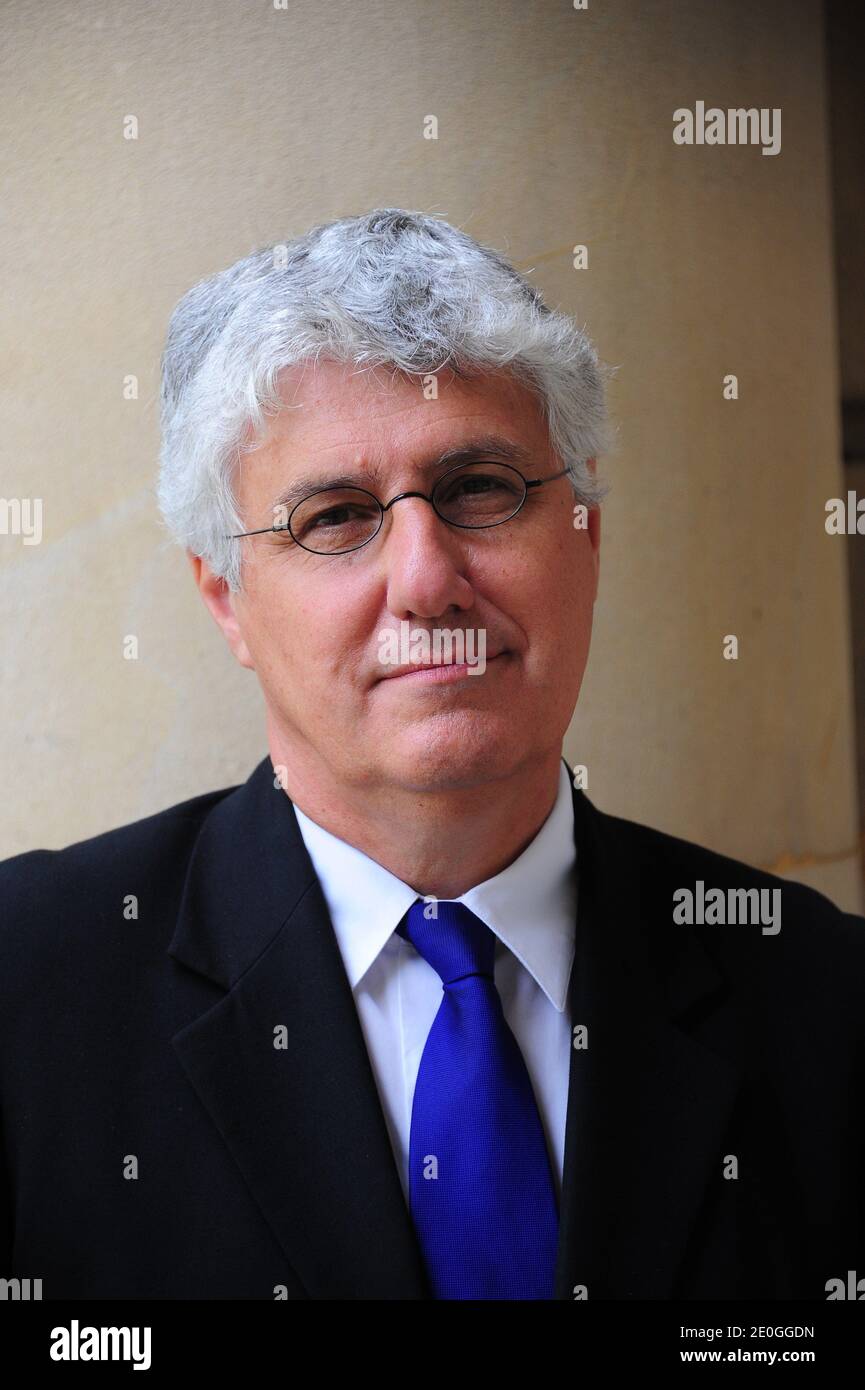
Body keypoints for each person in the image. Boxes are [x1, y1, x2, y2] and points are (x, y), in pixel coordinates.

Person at [1, 208, 863, 1301]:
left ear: (585, 534)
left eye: (477, 489)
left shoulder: (827, 1001)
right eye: (336, 516)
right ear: (225, 597)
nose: (423, 578)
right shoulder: (27, 992)